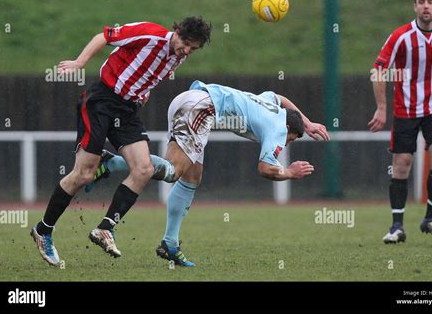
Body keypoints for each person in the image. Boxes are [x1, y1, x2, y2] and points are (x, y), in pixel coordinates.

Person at [30, 17, 212, 266]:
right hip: (100, 101)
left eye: (194, 48)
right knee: (83, 174)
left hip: (127, 111)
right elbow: (104, 36)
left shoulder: (178, 56)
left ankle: (106, 227)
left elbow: (151, 74)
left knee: (144, 169)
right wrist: (80, 62)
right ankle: (43, 230)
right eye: (187, 43)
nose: (188, 50)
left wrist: (143, 93)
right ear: (177, 31)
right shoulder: (149, 34)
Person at [87, 80, 330, 266]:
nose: (286, 145)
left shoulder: (271, 105)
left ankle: (170, 244)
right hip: (202, 108)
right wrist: (289, 172)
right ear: (287, 128)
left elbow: (280, 97)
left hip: (192, 101)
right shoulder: (278, 128)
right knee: (173, 171)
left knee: (191, 177)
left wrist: (307, 124)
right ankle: (112, 163)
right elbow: (265, 168)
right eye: (290, 140)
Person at [368, 0, 432, 244]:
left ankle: (431, 219)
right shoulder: (400, 36)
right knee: (402, 164)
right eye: (421, 2)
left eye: (430, 2)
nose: (426, 6)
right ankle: (397, 226)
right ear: (415, 7)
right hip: (405, 110)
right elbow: (378, 69)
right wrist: (382, 107)